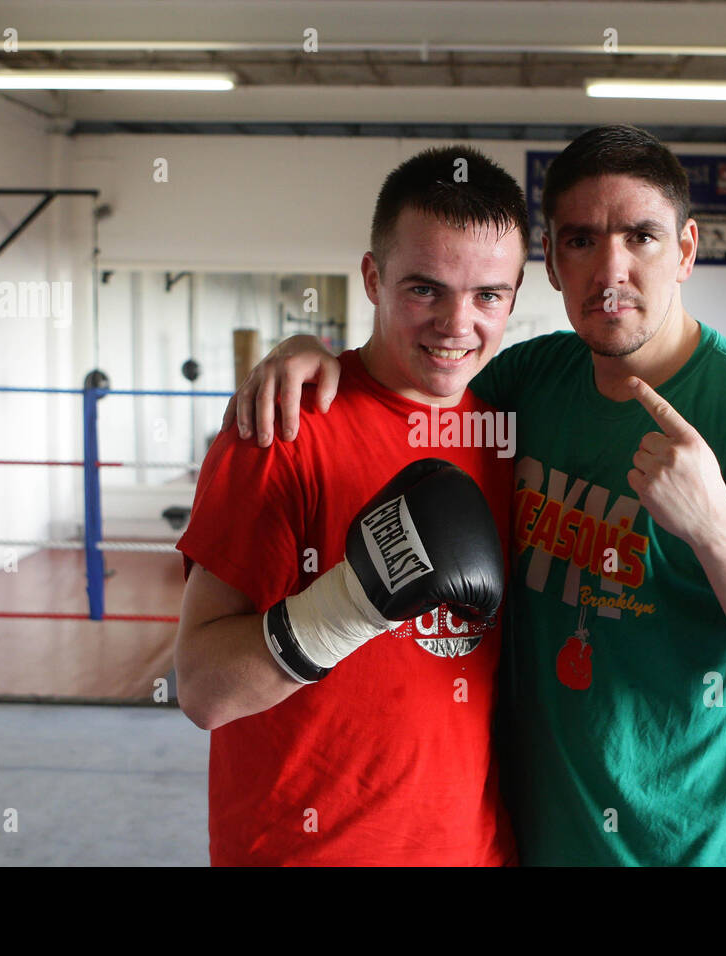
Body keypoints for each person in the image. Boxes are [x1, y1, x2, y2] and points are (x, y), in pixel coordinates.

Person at [226, 125, 726, 866]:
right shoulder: (529, 382)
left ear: (686, 250)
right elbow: (421, 374)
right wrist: (306, 355)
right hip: (529, 840)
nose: (611, 269)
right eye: (581, 239)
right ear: (550, 262)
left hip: (690, 850)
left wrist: (716, 528)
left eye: (641, 236)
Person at [175, 144, 528, 865]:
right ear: (373, 277)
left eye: (488, 295)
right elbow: (204, 690)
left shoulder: (516, 436)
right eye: (424, 289)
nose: (458, 325)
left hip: (473, 851)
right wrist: (351, 606)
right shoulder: (284, 428)